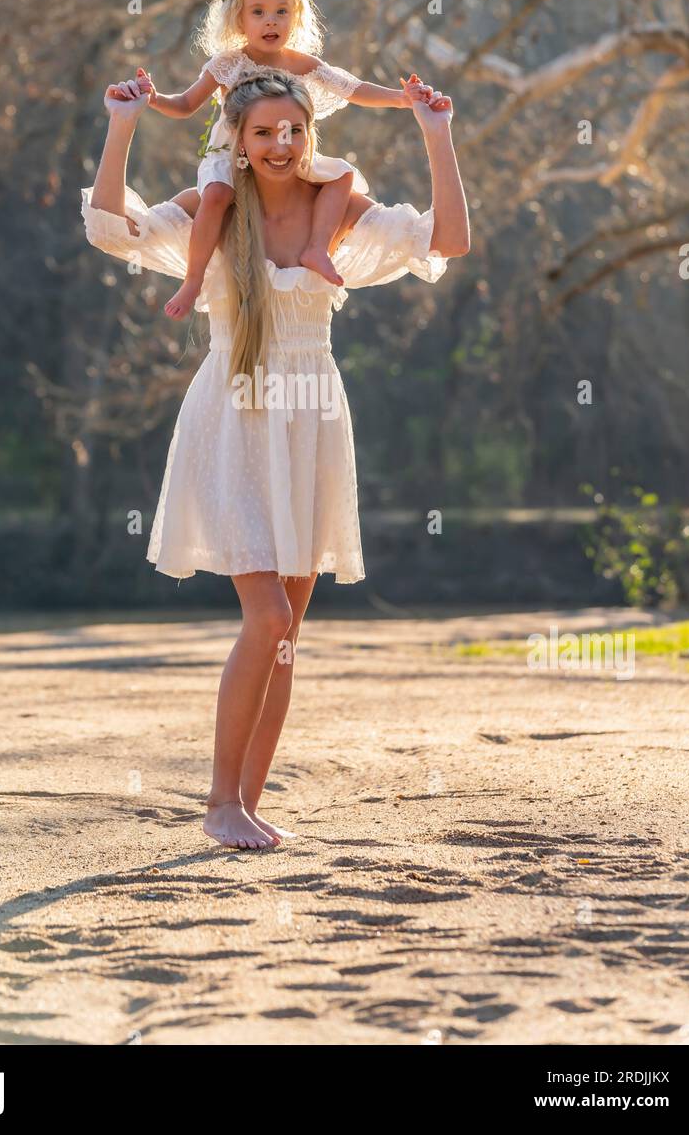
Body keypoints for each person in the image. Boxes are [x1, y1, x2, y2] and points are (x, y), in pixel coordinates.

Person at [80, 67, 470, 850]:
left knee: (289, 634)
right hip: (235, 415)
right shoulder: (215, 210)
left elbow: (449, 241)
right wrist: (122, 125)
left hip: (313, 420)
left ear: (310, 134)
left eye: (294, 130)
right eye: (264, 132)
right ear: (237, 138)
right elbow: (108, 228)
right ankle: (219, 802)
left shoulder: (337, 207)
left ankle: (247, 807)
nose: (282, 144)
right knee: (270, 615)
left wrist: (438, 136)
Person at [131, 0, 419, 317]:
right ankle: (193, 280)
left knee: (342, 176)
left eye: (281, 11)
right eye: (259, 12)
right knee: (216, 195)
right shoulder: (228, 63)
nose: (271, 21)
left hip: (284, 153)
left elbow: (353, 87)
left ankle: (316, 248)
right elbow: (186, 104)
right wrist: (154, 98)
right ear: (239, 19)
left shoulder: (301, 64)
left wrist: (401, 99)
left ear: (295, 16)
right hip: (233, 152)